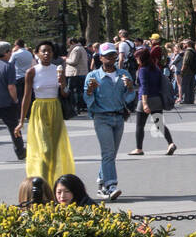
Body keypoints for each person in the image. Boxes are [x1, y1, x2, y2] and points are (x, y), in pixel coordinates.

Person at [15, 41, 76, 191]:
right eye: (43, 51)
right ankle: (41, 186)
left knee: (54, 151)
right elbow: (27, 97)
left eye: (49, 51)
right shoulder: (32, 72)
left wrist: (62, 84)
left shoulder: (58, 70)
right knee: (45, 149)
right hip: (40, 110)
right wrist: (21, 121)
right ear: (37, 53)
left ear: (53, 54)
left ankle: (55, 187)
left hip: (55, 109)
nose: (47, 54)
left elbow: (64, 93)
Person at [82, 42, 137, 201]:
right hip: (102, 118)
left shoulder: (123, 74)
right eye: (107, 56)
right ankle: (111, 185)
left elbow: (128, 98)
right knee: (107, 153)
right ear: (100, 57)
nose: (111, 58)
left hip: (118, 117)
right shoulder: (92, 76)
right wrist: (90, 90)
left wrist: (130, 88)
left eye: (113, 55)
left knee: (110, 154)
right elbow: (87, 100)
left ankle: (101, 182)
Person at [131, 46, 176, 155]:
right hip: (157, 99)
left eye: (137, 58)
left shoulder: (142, 70)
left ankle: (139, 148)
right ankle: (170, 143)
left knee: (140, 125)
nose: (136, 60)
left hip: (145, 100)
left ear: (142, 58)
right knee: (159, 123)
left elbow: (144, 87)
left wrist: (145, 104)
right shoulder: (155, 68)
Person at [63, 37, 89, 114]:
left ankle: (75, 107)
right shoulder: (82, 48)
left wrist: (65, 59)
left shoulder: (76, 49)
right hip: (82, 72)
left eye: (69, 44)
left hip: (75, 73)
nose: (69, 46)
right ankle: (80, 107)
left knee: (74, 91)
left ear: (72, 42)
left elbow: (74, 61)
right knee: (80, 91)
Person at [9, 40, 35, 104]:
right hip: (27, 77)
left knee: (20, 97)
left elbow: (9, 64)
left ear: (17, 45)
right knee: (27, 96)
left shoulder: (15, 54)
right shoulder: (29, 53)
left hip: (18, 77)